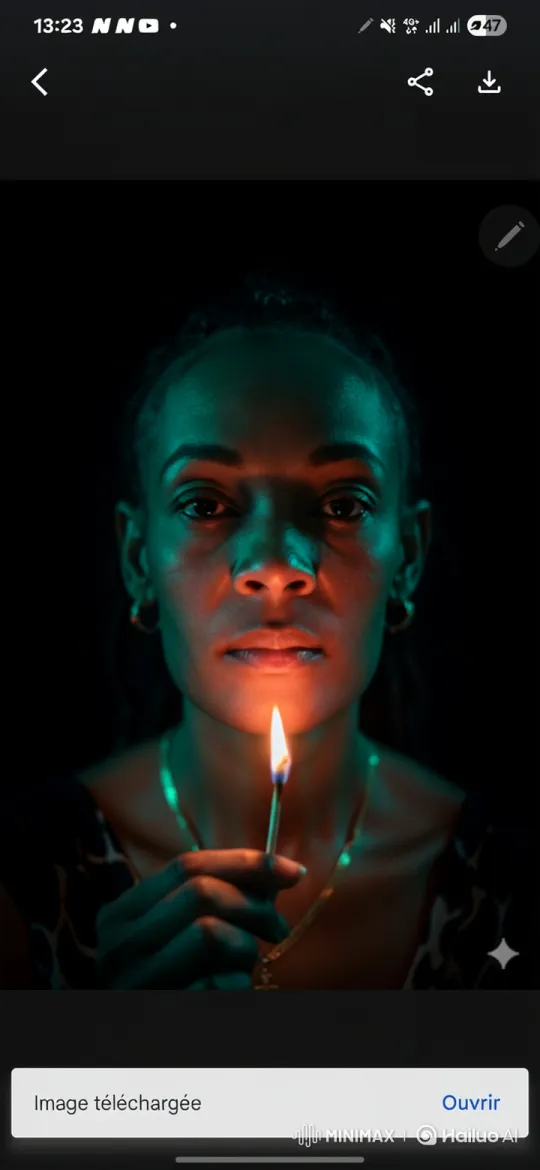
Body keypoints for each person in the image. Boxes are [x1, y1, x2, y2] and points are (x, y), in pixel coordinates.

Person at [0, 278, 527, 991]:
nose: (276, 568)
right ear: (137, 560)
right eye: (206, 503)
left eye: (343, 503)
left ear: (409, 554)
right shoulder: (22, 877)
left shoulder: (509, 882)